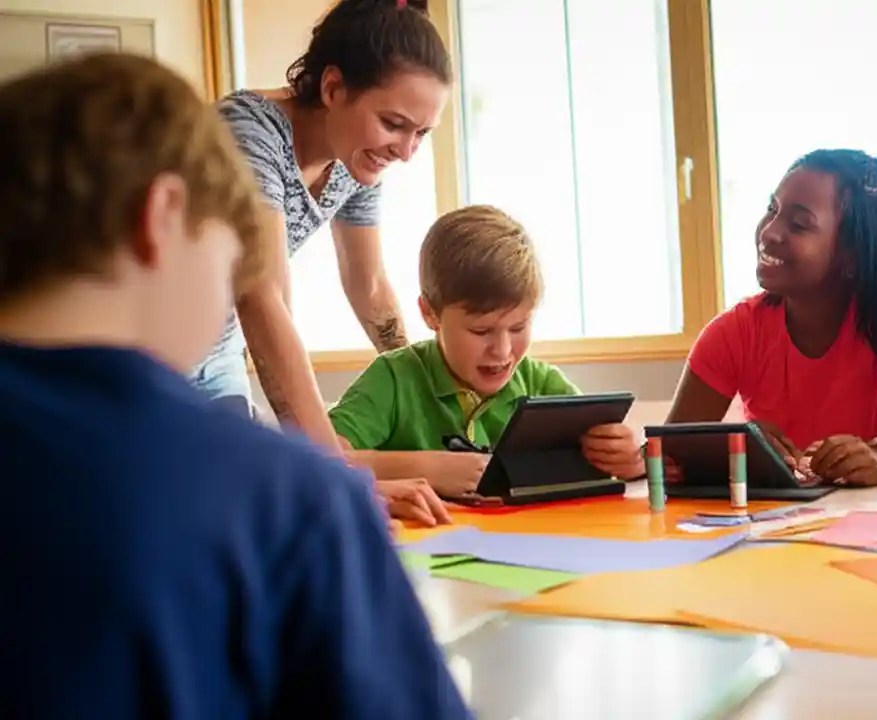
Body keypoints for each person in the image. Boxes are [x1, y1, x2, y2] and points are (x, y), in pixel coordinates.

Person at [0, 53, 470, 718]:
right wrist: (327, 476)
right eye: (230, 258)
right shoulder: (288, 500)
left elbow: (369, 284)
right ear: (161, 216)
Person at [193, 0, 451, 454]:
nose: (406, 152)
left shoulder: (357, 158)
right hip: (141, 351)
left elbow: (368, 286)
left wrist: (423, 391)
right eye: (394, 124)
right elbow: (261, 296)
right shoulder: (248, 132)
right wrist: (326, 462)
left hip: (216, 360)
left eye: (421, 133)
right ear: (333, 87)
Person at [666, 149, 877, 487]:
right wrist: (735, 443)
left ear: (853, 254)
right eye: (772, 210)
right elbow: (665, 454)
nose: (769, 232)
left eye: (798, 224)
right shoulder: (734, 333)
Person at [329, 205, 645, 497]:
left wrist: (631, 461)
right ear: (430, 314)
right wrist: (427, 468)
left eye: (519, 327)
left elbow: (615, 459)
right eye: (481, 331)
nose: (503, 350)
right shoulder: (394, 379)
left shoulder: (541, 384)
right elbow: (317, 459)